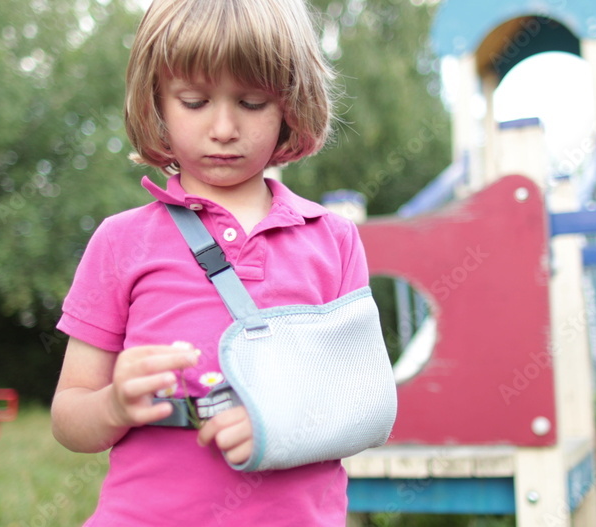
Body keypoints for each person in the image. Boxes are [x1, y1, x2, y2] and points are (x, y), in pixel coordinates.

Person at [50, 0, 373, 524]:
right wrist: (112, 405)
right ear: (155, 102)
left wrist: (280, 424)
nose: (223, 128)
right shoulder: (120, 241)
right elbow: (69, 418)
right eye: (195, 101)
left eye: (250, 102)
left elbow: (364, 406)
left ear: (290, 105)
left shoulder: (333, 240)